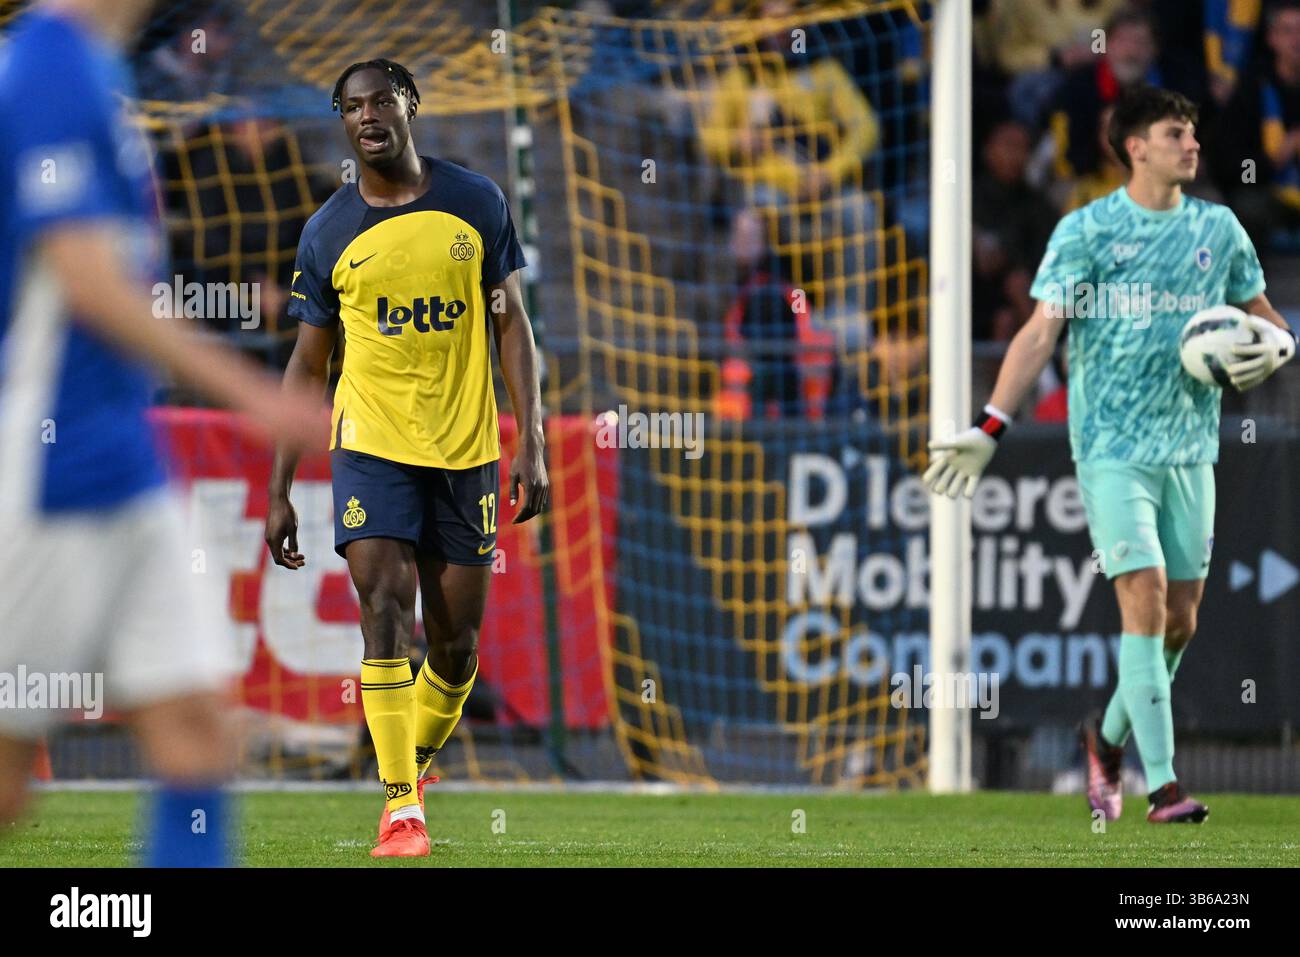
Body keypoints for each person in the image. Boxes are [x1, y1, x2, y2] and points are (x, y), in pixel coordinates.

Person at [0, 0, 325, 865]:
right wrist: (253, 391)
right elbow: (89, 286)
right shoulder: (49, 65)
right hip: (46, 460)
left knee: (195, 732)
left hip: (129, 456)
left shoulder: (105, 73)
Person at [923, 85, 1295, 824]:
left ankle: (1105, 736)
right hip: (1111, 448)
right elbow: (1038, 333)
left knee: (1181, 620)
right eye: (1174, 133)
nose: (1192, 144)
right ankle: (1163, 786)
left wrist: (1277, 350)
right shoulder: (1087, 231)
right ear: (1135, 148)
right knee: (1146, 599)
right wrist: (991, 424)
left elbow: (1270, 324)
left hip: (1192, 448)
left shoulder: (1220, 231)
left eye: (1192, 133)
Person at [264, 59, 549, 858]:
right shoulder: (328, 232)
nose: (367, 117)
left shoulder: (476, 202)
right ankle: (401, 809)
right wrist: (279, 487)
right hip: (370, 445)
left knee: (455, 650)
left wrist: (528, 435)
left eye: (380, 100)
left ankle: (409, 769)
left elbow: (511, 324)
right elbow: (306, 367)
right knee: (383, 608)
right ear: (344, 123)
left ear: (410, 104)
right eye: (351, 108)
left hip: (464, 450)